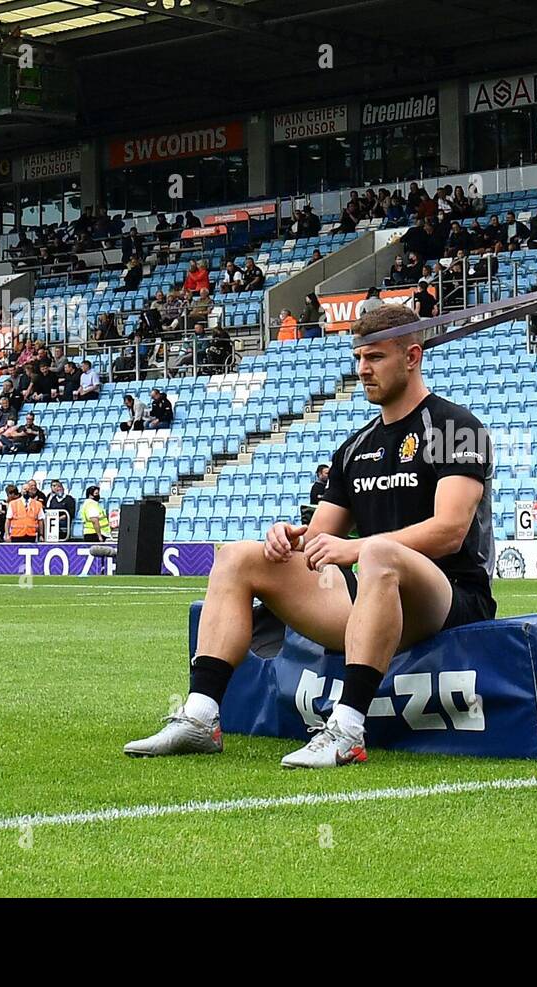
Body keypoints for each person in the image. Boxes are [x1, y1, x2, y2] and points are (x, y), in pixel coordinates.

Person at [124, 305, 497, 767]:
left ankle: (347, 731)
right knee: (240, 556)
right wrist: (287, 539)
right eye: (359, 357)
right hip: (372, 595)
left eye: (376, 357)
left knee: (380, 550)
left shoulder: (455, 428)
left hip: (450, 596)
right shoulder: (356, 447)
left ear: (412, 356)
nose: (363, 369)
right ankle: (201, 716)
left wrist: (358, 548)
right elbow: (320, 540)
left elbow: (451, 531)